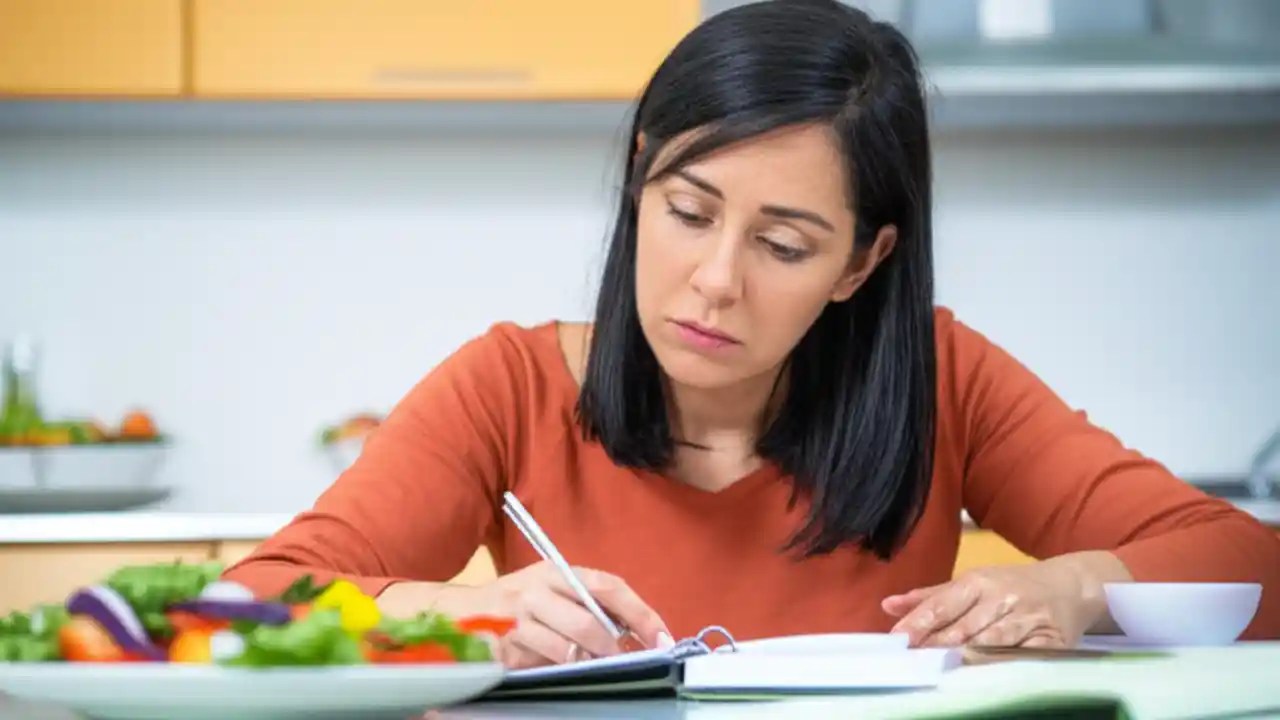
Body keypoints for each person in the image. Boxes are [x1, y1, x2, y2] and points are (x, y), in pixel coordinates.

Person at [223, 0, 1280, 668]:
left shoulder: (940, 378)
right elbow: (247, 603)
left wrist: (1072, 585)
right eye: (687, 213)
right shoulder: (508, 385)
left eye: (782, 247)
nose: (714, 282)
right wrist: (455, 613)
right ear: (639, 177)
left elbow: (1247, 565)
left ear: (860, 264)